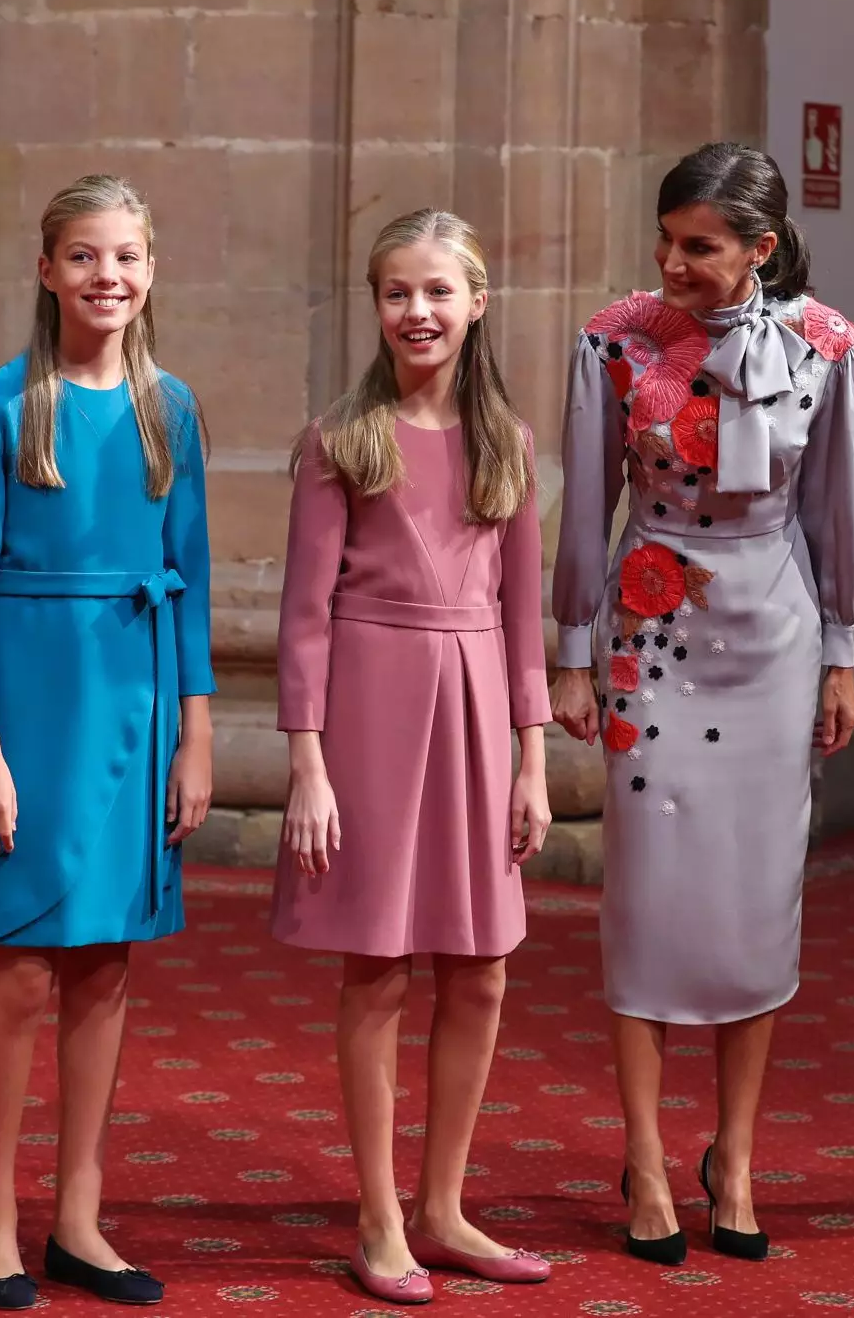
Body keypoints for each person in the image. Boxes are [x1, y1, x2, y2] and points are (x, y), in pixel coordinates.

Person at [550, 142, 854, 1265]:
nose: (671, 263)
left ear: (758, 250)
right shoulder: (610, 336)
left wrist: (839, 652)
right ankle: (641, 1154)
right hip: (649, 637)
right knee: (644, 898)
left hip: (774, 640)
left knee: (753, 902)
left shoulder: (828, 345)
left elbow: (834, 509)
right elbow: (583, 506)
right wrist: (571, 651)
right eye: (666, 240)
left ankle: (732, 1154)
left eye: (699, 246)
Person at [0, 174, 215, 1307]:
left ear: (151, 273)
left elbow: (190, 581)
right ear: (47, 271)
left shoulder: (173, 409)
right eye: (85, 258)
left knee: (106, 964)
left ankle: (80, 1217)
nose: (109, 277)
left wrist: (197, 739)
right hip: (32, 704)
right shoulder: (2, 403)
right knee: (17, 972)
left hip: (138, 700)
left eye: (128, 259)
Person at [274, 208, 555, 1305]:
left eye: (437, 291)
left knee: (480, 965)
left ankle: (443, 1205)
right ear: (376, 305)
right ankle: (379, 1213)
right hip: (371, 708)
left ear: (476, 302)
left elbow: (522, 614)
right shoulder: (341, 438)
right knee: (379, 964)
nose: (416, 311)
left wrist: (532, 760)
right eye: (397, 292)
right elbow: (302, 616)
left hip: (481, 706)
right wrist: (307, 763)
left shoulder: (510, 444)